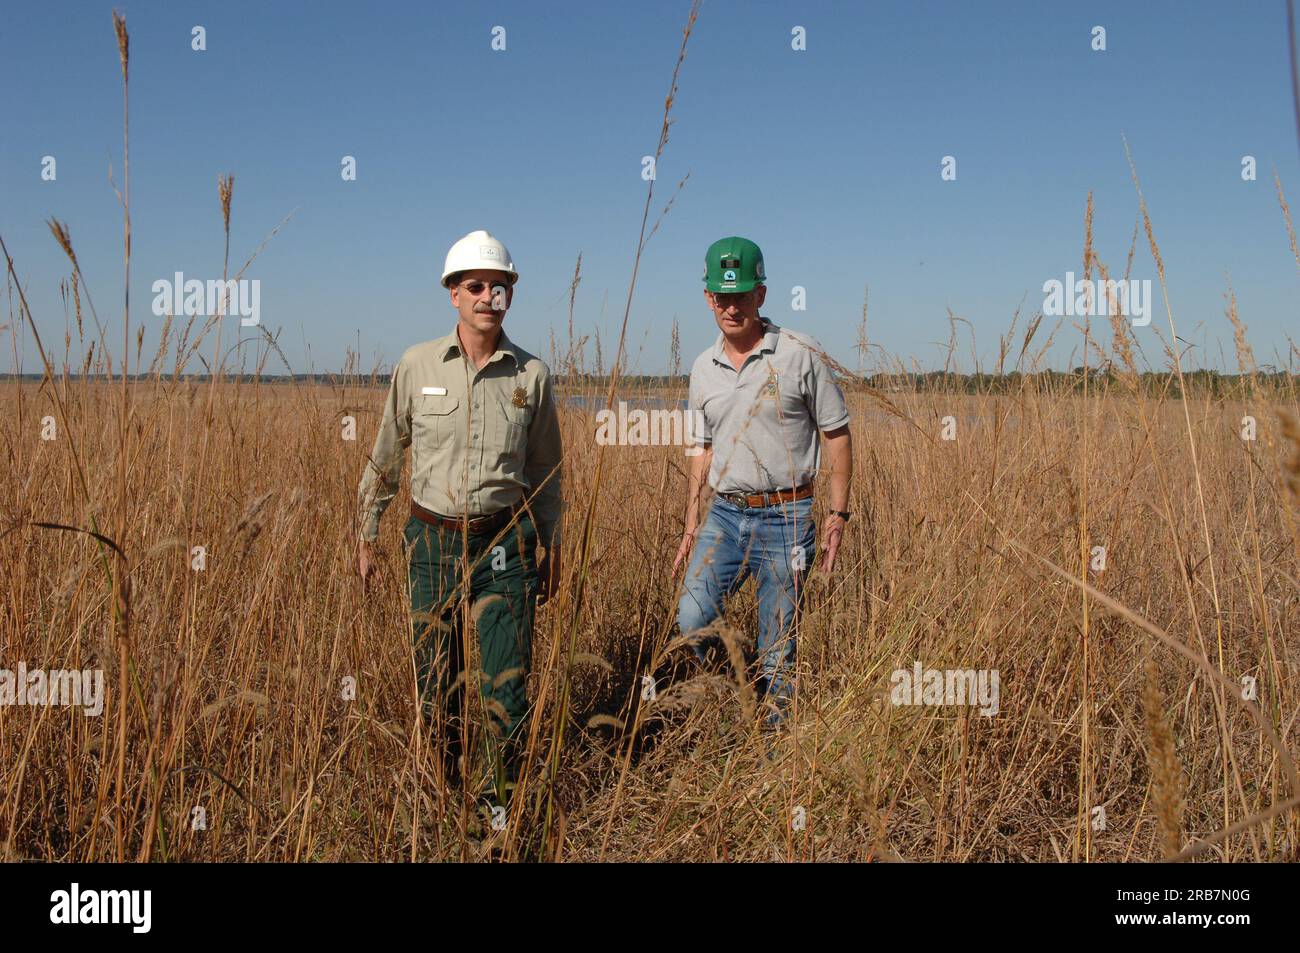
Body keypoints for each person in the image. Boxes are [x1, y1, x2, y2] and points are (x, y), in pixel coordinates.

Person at [356, 229, 562, 798]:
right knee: (435, 684)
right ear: (453, 292)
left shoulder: (532, 376)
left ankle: (500, 809)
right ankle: (446, 797)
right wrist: (366, 533)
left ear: (510, 295)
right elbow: (385, 455)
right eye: (475, 285)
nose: (487, 297)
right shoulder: (417, 365)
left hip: (507, 542)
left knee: (507, 688)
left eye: (499, 287)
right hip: (430, 541)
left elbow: (547, 470)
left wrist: (555, 547)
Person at [673, 236, 853, 727]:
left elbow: (836, 435)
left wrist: (837, 515)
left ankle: (774, 752)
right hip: (726, 516)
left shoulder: (799, 353)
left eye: (742, 295)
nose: (732, 307)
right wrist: (692, 523)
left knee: (777, 648)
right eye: (722, 297)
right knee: (691, 621)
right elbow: (701, 450)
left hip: (787, 518)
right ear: (709, 299)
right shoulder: (701, 369)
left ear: (762, 294)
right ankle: (728, 699)